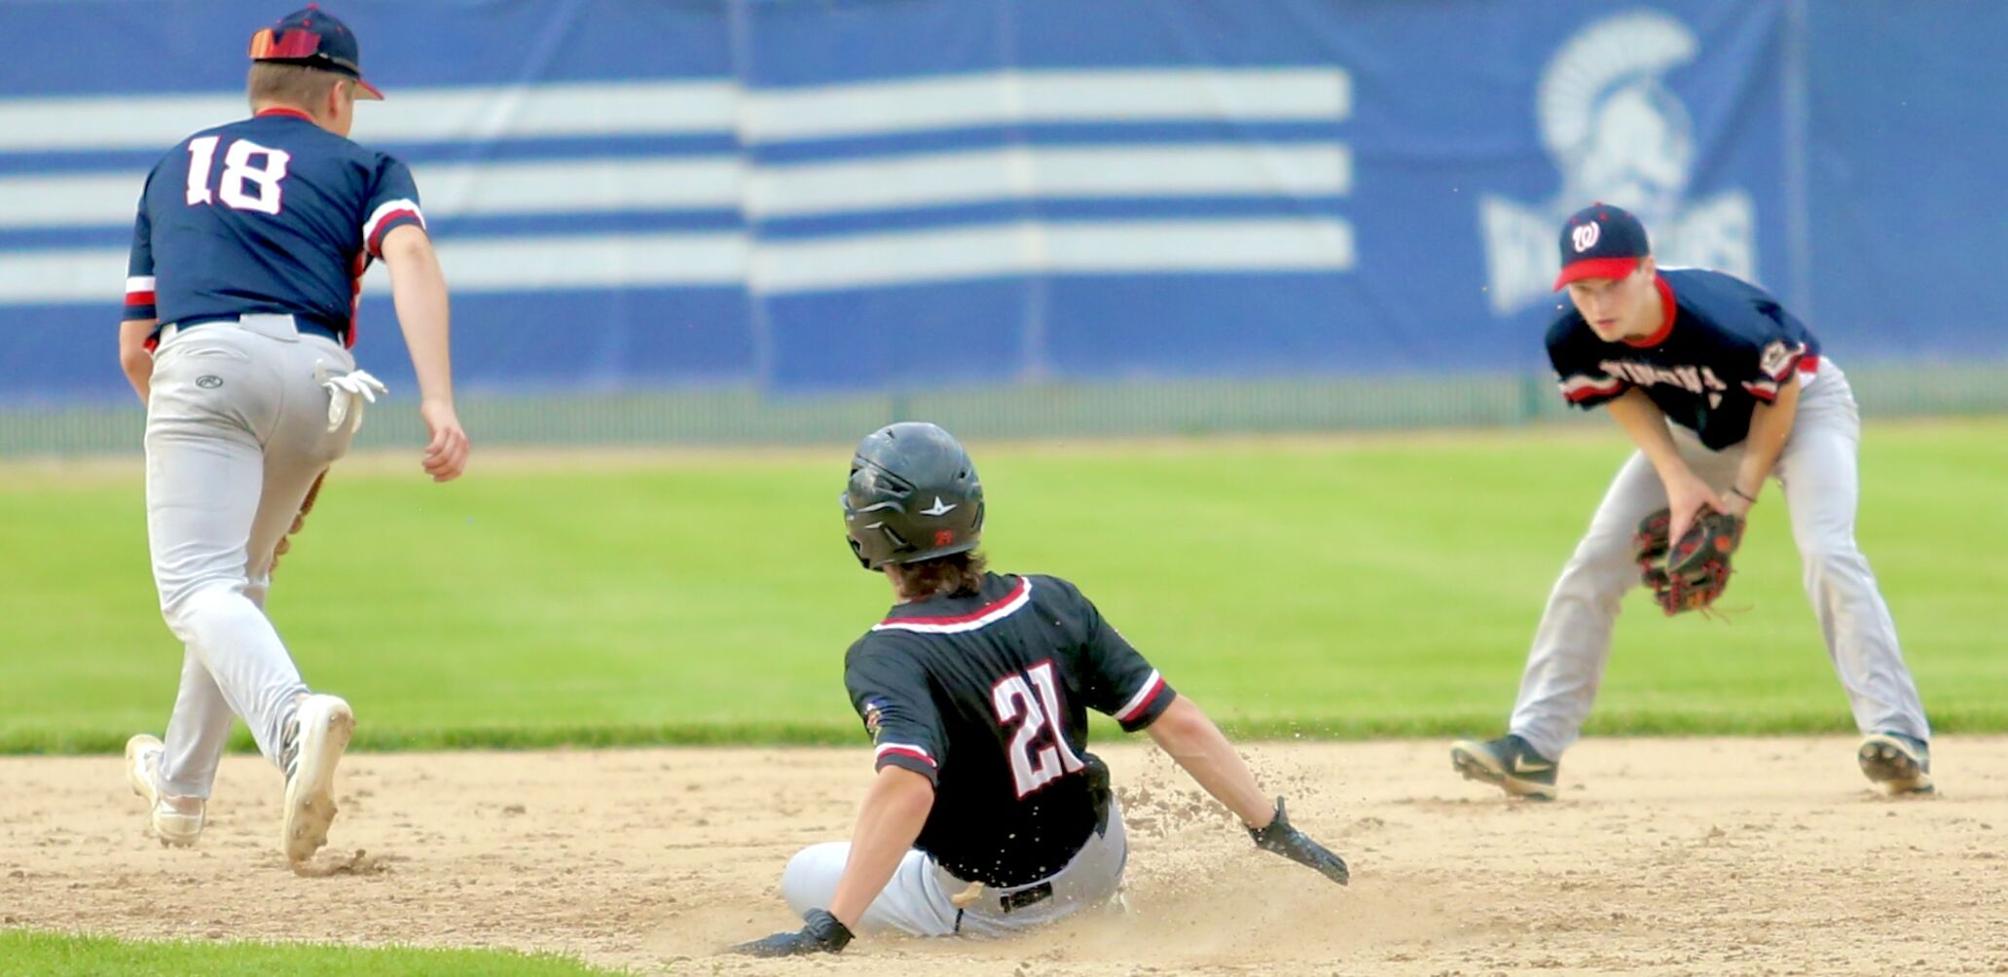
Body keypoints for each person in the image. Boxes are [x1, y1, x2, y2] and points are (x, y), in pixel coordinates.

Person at [735, 422, 1349, 956]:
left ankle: (976, 919)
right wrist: (1271, 827)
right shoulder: (1051, 599)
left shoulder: (885, 653)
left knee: (805, 876)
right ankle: (1096, 907)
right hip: (1100, 862)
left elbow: (907, 788)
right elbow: (1174, 720)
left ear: (867, 532)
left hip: (991, 904)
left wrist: (833, 926)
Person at [116, 7, 470, 867]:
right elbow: (412, 256)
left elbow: (137, 346)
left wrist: (189, 424)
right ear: (340, 96)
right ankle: (182, 791)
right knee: (237, 579)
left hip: (203, 359)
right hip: (324, 380)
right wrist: (438, 402)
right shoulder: (365, 163)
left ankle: (289, 722)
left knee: (194, 586)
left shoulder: (177, 166)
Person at [1451, 203, 1932, 801]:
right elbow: (1618, 392)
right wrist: (1678, 480)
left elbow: (1778, 397)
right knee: (1596, 560)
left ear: (1648, 269)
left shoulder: (1722, 320)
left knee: (1828, 549)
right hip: (1700, 433)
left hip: (1803, 411)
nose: (1598, 305)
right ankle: (1533, 748)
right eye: (1583, 289)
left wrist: (1738, 501)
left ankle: (1898, 734)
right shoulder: (1573, 337)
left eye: (1612, 284)